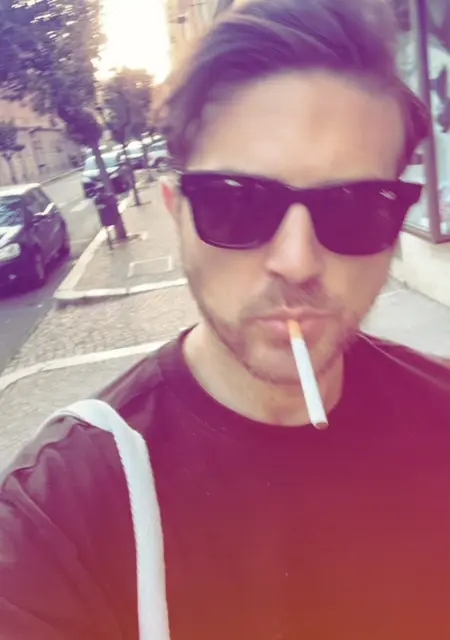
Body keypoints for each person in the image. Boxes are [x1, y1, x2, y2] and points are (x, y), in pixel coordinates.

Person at [1, 0, 450, 638]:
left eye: (355, 207)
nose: (297, 262)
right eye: (237, 204)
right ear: (175, 213)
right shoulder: (62, 515)